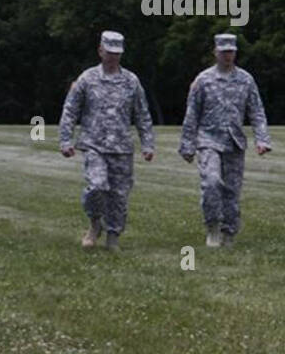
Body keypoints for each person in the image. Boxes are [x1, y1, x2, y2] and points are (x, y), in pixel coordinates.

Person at [58, 31, 155, 250]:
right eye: (109, 52)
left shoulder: (131, 81)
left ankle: (113, 237)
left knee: (119, 196)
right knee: (97, 186)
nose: (113, 57)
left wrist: (147, 144)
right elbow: (70, 110)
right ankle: (94, 224)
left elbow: (142, 114)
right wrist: (65, 140)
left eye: (117, 53)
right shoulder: (87, 79)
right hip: (94, 144)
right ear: (100, 51)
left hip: (121, 147)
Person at [178, 33, 271, 247]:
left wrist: (262, 139)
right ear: (215, 52)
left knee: (231, 191)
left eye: (231, 51)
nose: (227, 55)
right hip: (208, 140)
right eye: (223, 51)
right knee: (211, 183)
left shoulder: (246, 80)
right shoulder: (203, 80)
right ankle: (212, 227)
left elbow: (256, 111)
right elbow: (192, 114)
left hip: (234, 142)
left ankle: (228, 232)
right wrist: (187, 145)